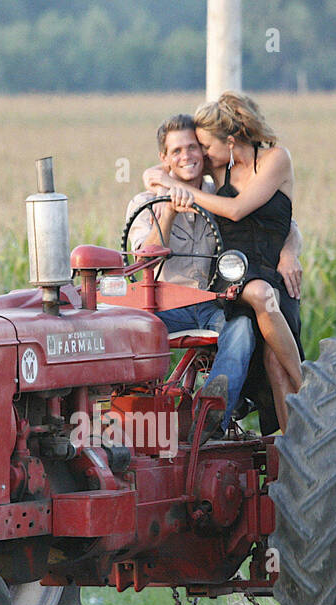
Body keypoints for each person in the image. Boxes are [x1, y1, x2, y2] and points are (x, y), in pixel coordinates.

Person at [126, 113, 302, 438]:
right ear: (164, 159)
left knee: (242, 330)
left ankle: (211, 415)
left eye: (193, 148)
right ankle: (133, 421)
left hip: (210, 304)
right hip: (164, 307)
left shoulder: (219, 193)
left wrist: (290, 252)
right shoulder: (146, 202)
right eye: (176, 151)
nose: (187, 156)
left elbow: (280, 224)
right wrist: (169, 211)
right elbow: (142, 266)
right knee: (125, 329)